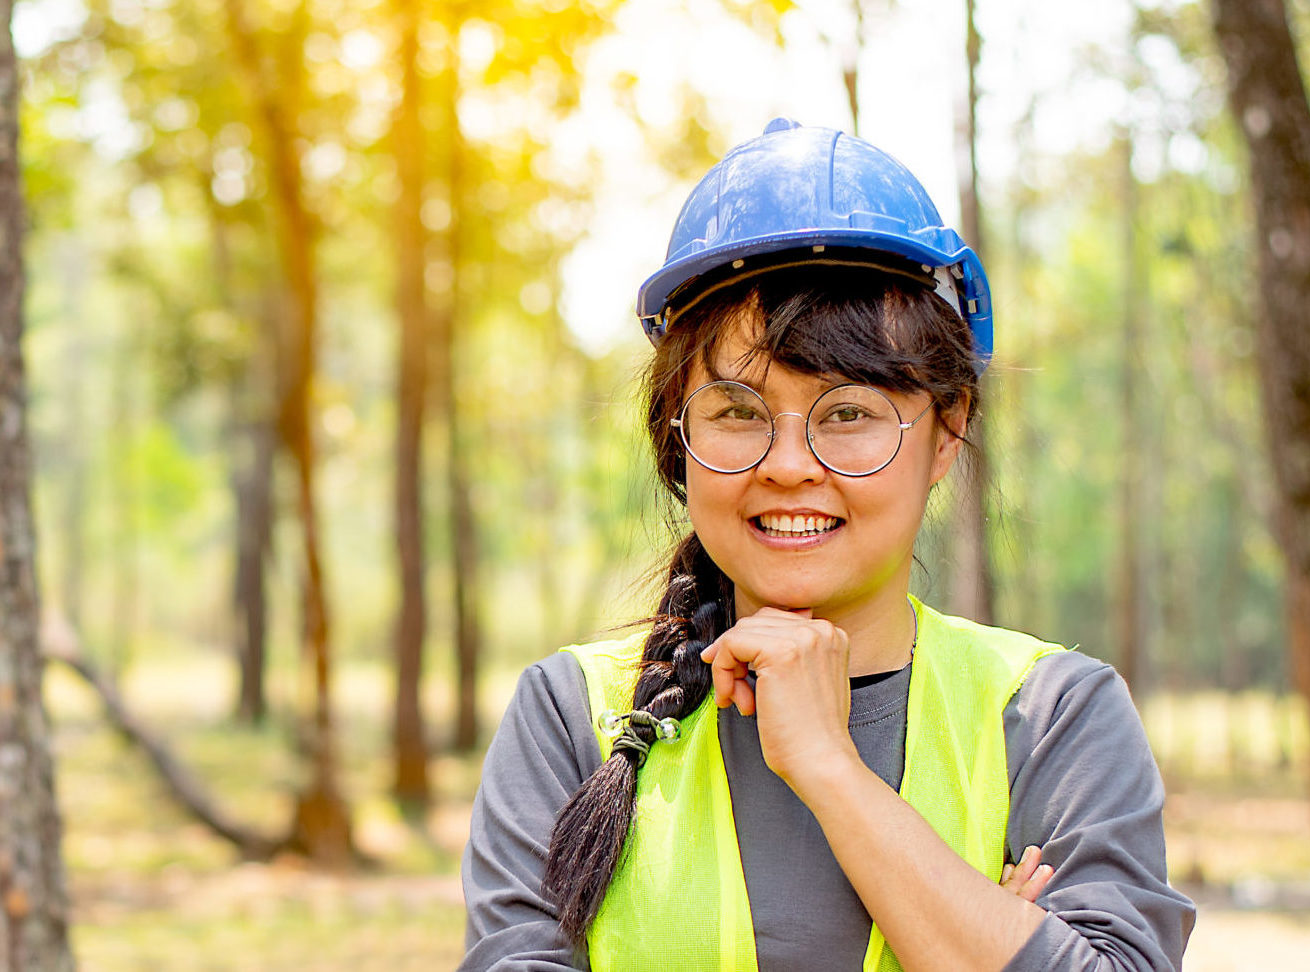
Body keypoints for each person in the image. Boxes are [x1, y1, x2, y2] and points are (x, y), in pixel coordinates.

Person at [458, 119, 1194, 972]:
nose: (789, 466)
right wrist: (978, 932)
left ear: (946, 432)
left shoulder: (1051, 715)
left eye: (849, 414)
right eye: (736, 412)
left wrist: (829, 767)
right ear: (677, 438)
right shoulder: (571, 716)